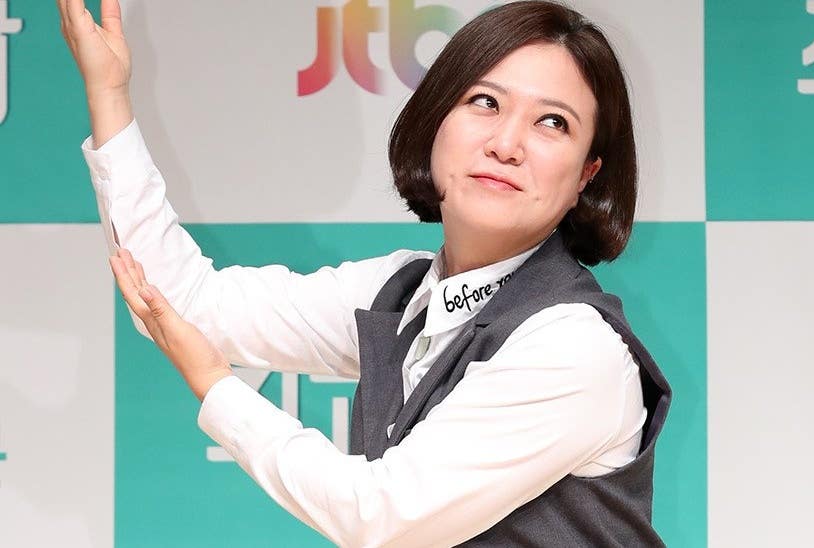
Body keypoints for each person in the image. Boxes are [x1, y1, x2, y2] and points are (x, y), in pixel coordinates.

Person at [59, 0, 672, 545]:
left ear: (586, 174)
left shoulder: (574, 345)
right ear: (436, 120)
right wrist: (109, 95)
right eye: (485, 102)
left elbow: (380, 519)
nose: (506, 144)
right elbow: (183, 301)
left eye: (552, 122)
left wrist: (217, 387)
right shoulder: (400, 292)